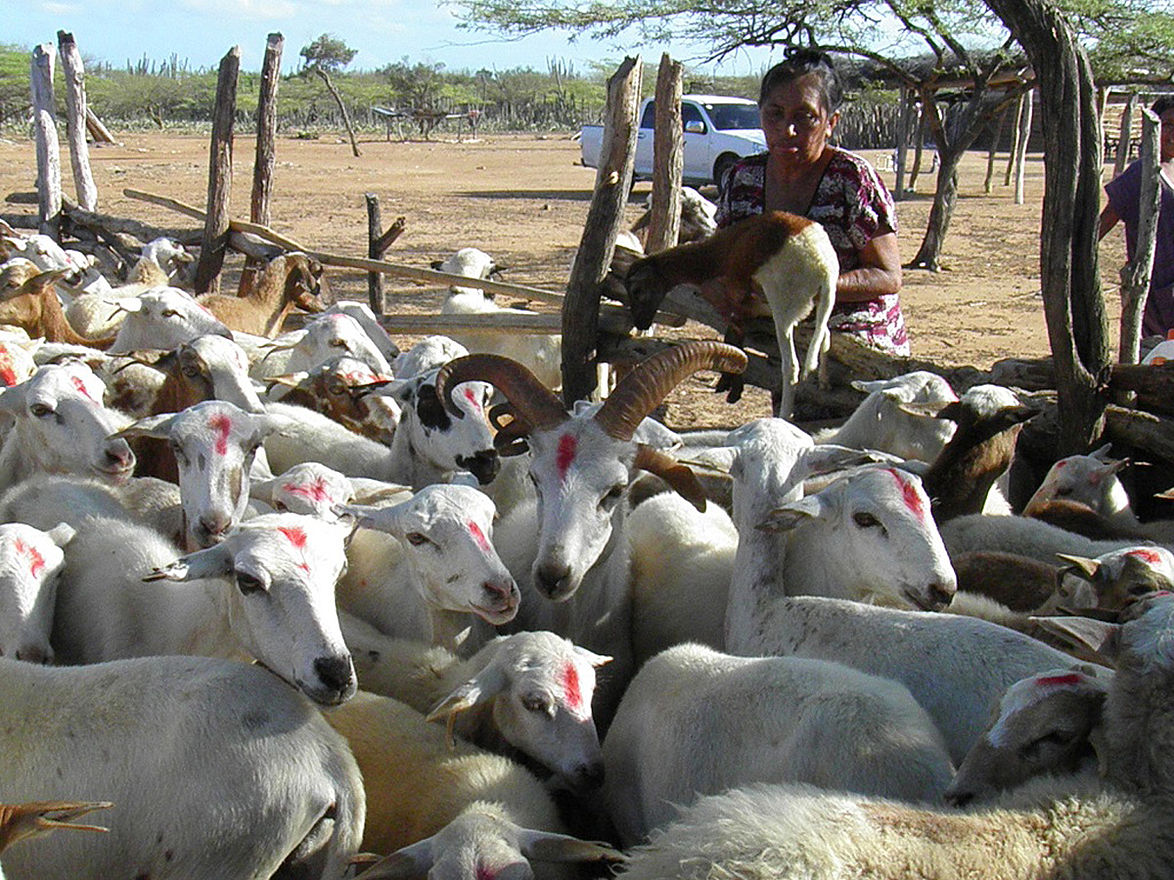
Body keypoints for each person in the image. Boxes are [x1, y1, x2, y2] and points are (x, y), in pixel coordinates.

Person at [715, 48, 909, 356]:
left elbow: (887, 276)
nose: (787, 130)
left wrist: (809, 289)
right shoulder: (743, 180)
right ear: (761, 113)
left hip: (857, 350)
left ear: (831, 122)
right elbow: (722, 258)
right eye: (775, 114)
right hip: (780, 342)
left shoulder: (851, 180)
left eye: (804, 117)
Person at [1098, 95, 1174, 338]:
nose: (1173, 134)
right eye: (1168, 125)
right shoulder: (1142, 172)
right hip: (1158, 290)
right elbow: (1105, 221)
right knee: (1160, 350)